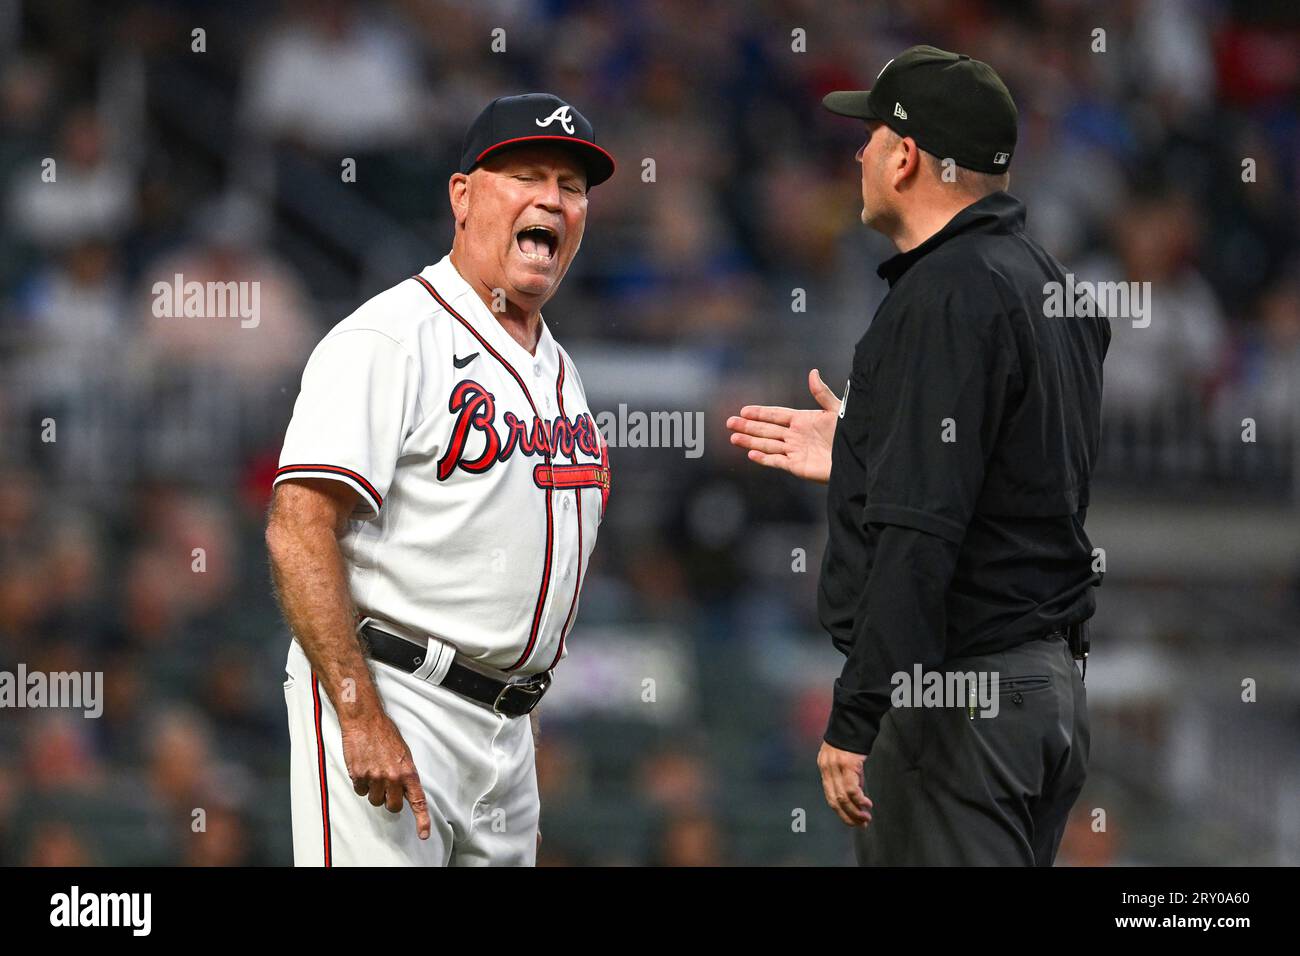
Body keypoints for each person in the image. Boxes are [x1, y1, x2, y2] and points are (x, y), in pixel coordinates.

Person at [727, 46, 1110, 865]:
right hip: (1043, 694)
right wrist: (871, 453)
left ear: (905, 156)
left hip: (958, 699)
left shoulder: (945, 293)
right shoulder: (1053, 285)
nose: (857, 154)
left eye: (869, 136)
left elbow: (922, 532)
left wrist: (859, 711)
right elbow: (1010, 475)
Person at [266, 94, 614, 866]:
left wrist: (509, 746)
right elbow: (299, 525)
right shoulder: (390, 337)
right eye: (526, 175)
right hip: (394, 690)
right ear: (463, 197)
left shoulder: (563, 373)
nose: (552, 200)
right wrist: (358, 713)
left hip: (504, 728)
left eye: (572, 186)